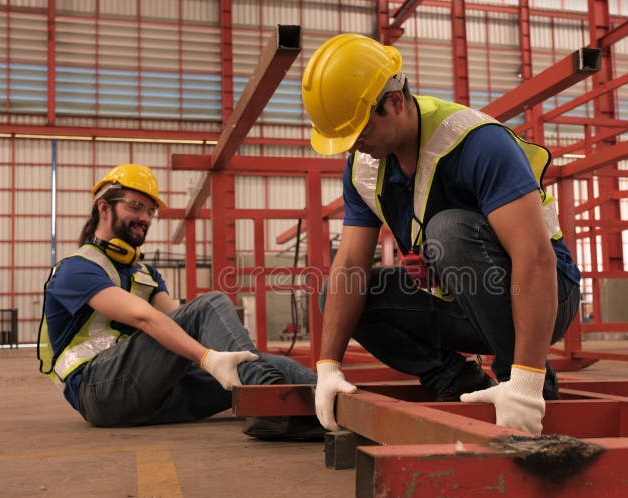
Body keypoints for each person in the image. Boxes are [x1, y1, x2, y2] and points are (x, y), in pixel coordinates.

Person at [301, 34, 581, 435]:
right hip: (461, 300)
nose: (356, 147)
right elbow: (349, 265)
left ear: (394, 103)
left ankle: (518, 382)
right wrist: (328, 366)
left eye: (360, 132)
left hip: (548, 291)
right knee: (340, 292)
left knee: (447, 231)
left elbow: (534, 257)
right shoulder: (364, 168)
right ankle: (456, 380)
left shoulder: (478, 144)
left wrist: (526, 381)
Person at [38, 164, 320, 437]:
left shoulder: (144, 274)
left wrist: (226, 342)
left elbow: (184, 321)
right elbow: (146, 317)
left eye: (150, 211)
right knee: (211, 304)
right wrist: (207, 358)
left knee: (268, 363)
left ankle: (336, 401)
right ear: (104, 207)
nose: (145, 218)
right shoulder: (77, 268)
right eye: (135, 206)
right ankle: (265, 401)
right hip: (99, 391)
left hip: (148, 395)